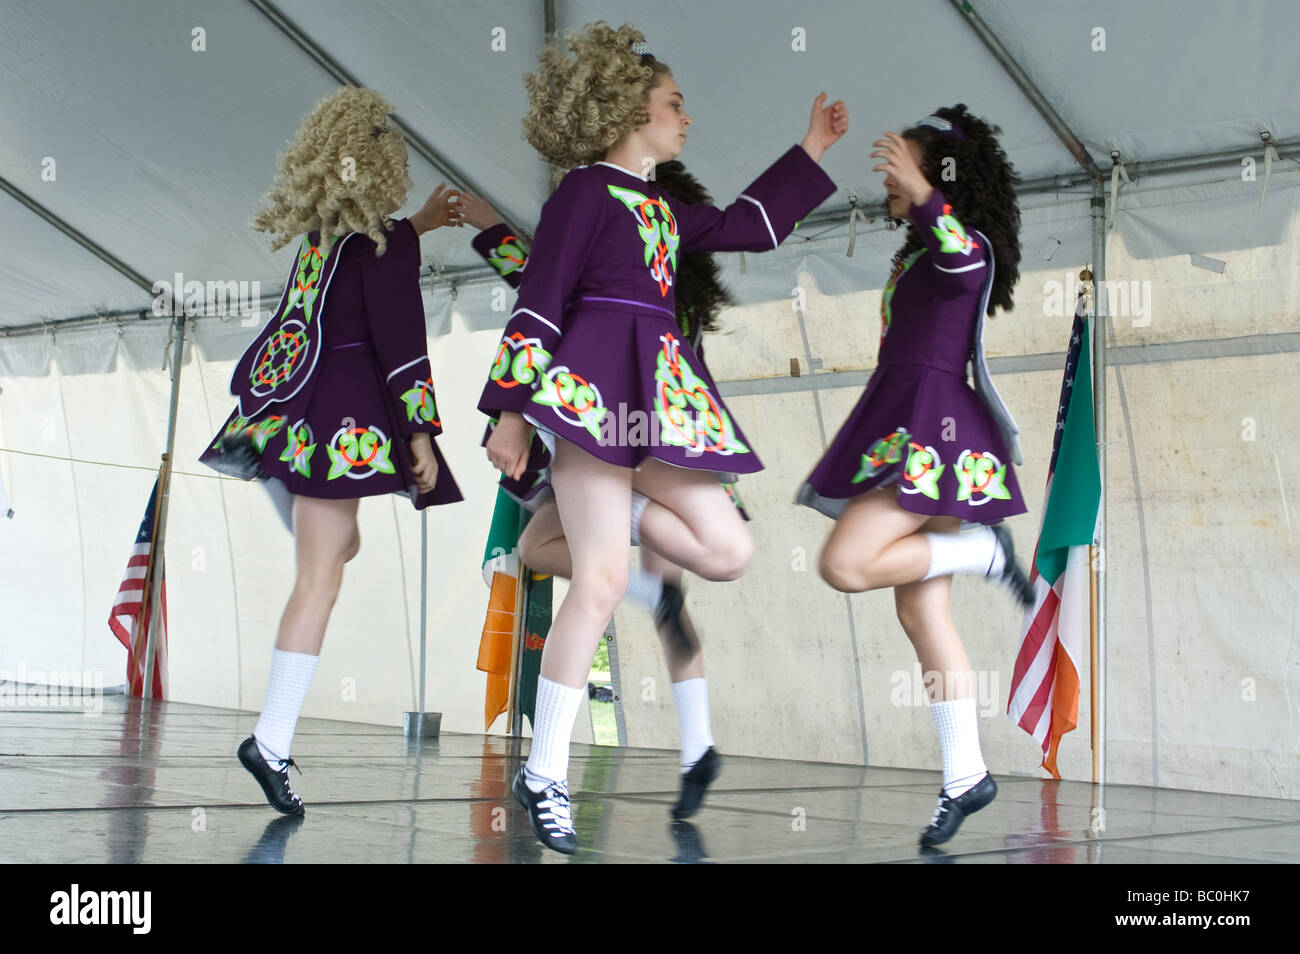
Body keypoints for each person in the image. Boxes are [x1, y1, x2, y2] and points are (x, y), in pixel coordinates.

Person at [478, 21, 846, 854]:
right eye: (674, 104)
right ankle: (545, 773)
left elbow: (747, 227)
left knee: (727, 548)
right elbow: (537, 299)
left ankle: (623, 514)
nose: (687, 118)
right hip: (591, 396)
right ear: (626, 109)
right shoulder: (580, 194)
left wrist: (810, 149)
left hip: (661, 402)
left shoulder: (663, 208)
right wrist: (507, 408)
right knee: (601, 584)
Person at [200, 86, 464, 815]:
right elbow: (402, 346)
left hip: (295, 418)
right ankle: (272, 742)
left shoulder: (325, 241)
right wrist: (421, 435)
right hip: (341, 425)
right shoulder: (380, 246)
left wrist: (421, 224)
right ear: (377, 164)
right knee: (322, 575)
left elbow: (367, 266)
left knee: (338, 551)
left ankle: (279, 487)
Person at [461, 161, 744, 821]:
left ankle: (693, 740)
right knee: (556, 552)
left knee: (585, 563)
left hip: (629, 442)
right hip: (664, 444)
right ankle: (698, 743)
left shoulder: (640, 275)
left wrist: (490, 229)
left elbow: (541, 286)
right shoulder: (679, 288)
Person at [796, 105, 1032, 847]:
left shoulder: (966, 248)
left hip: (934, 429)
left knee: (844, 563)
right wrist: (919, 195)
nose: (890, 179)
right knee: (921, 615)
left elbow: (959, 256)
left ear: (939, 178)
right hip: (909, 419)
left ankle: (985, 552)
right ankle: (966, 775)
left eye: (905, 166)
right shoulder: (916, 251)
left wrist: (923, 192)